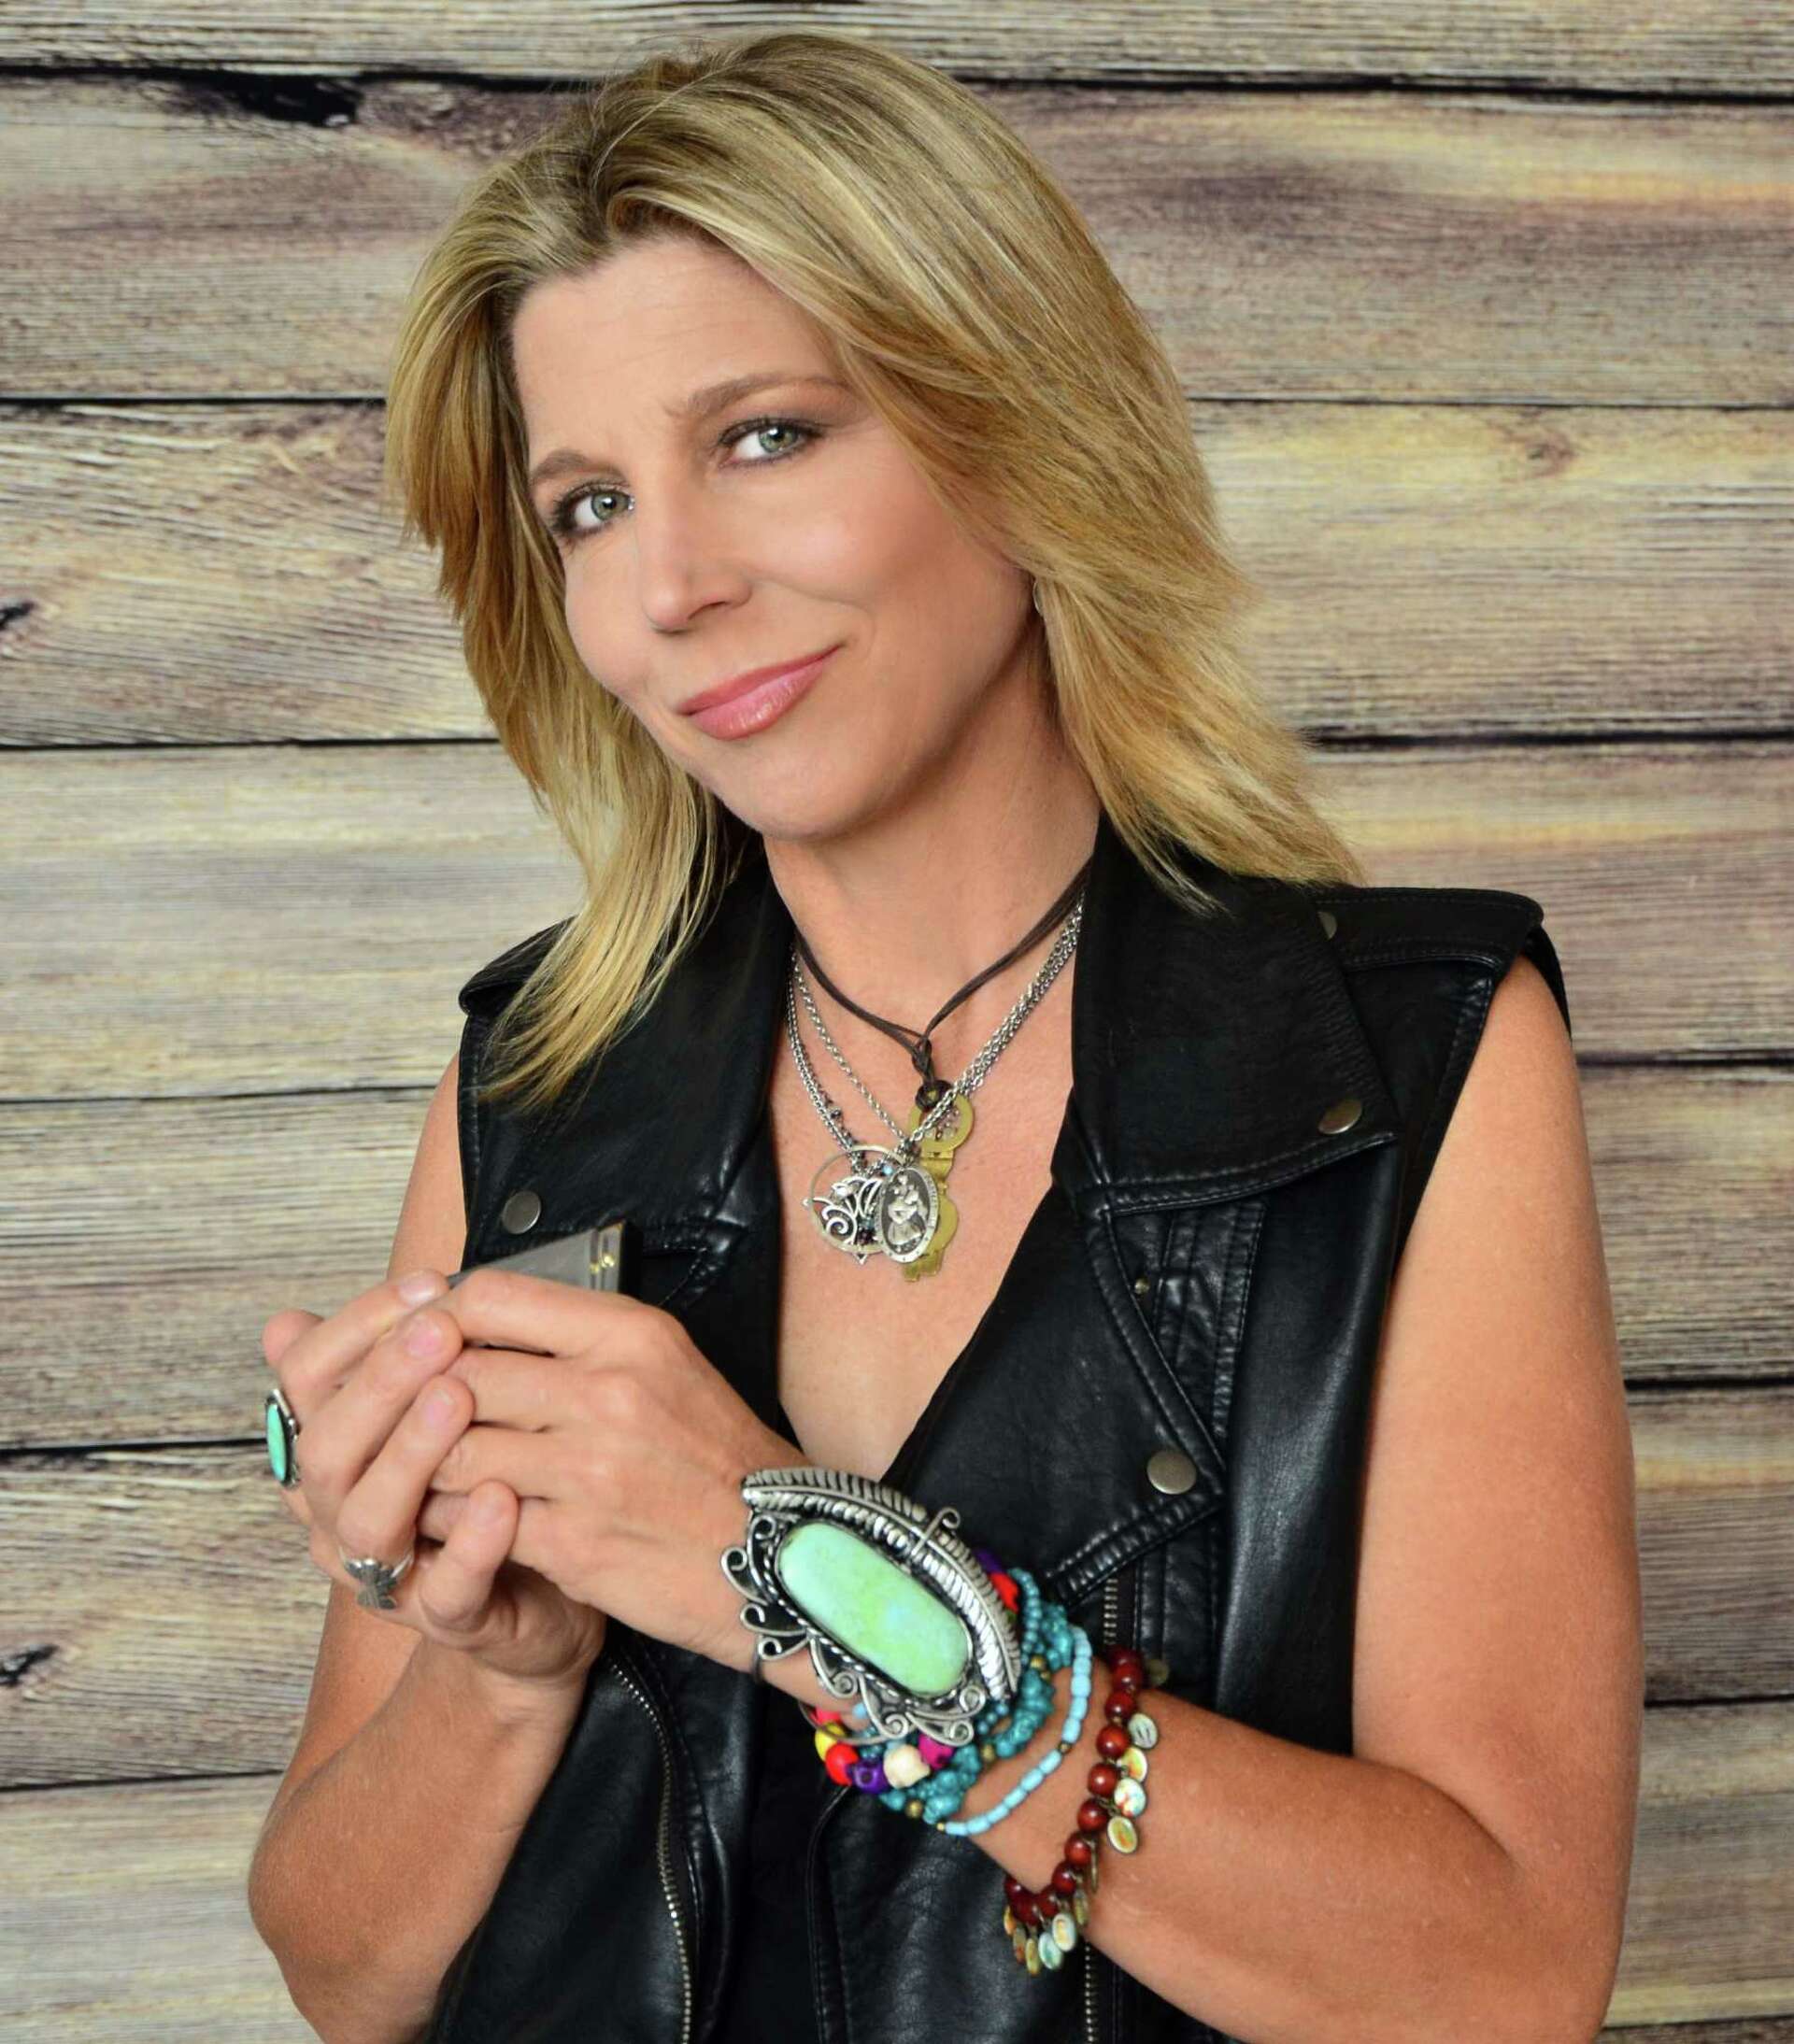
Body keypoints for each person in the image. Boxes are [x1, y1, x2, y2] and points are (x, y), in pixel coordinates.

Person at [246, 28, 1643, 2044]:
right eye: (588, 504)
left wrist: (799, 1583)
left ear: (1015, 423)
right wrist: (500, 1671)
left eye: (765, 437)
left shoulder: (1404, 1058)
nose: (669, 588)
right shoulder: (541, 1082)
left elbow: (1506, 1972)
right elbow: (340, 1964)